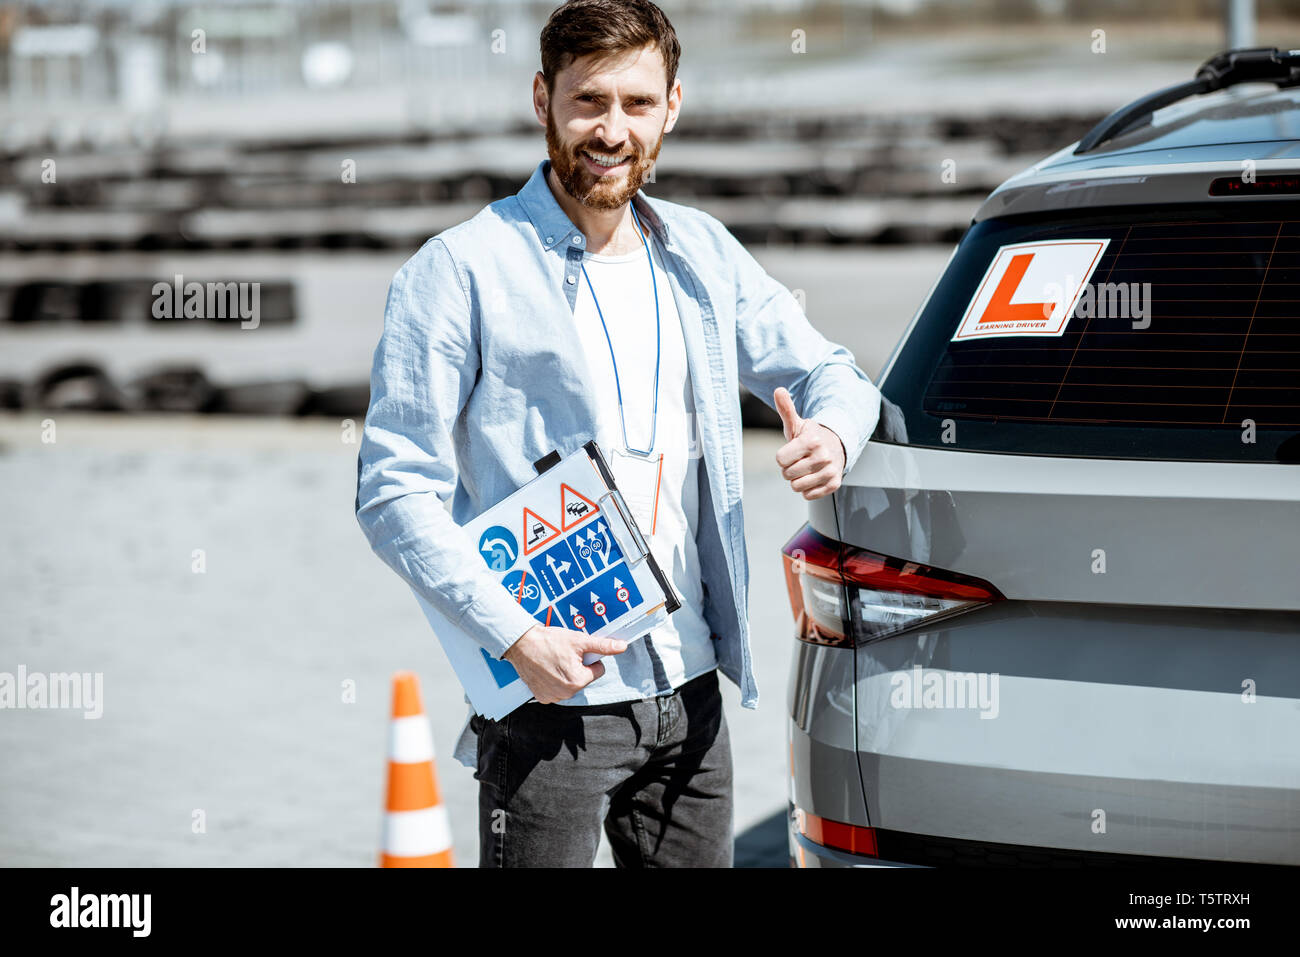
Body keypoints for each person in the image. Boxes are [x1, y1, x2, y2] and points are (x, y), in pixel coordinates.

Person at [355, 0, 881, 867]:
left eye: (637, 104)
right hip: (547, 699)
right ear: (541, 99)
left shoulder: (704, 254)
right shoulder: (458, 271)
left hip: (692, 686)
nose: (612, 129)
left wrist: (832, 431)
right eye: (588, 102)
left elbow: (834, 372)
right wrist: (515, 636)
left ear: (673, 105)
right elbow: (391, 491)